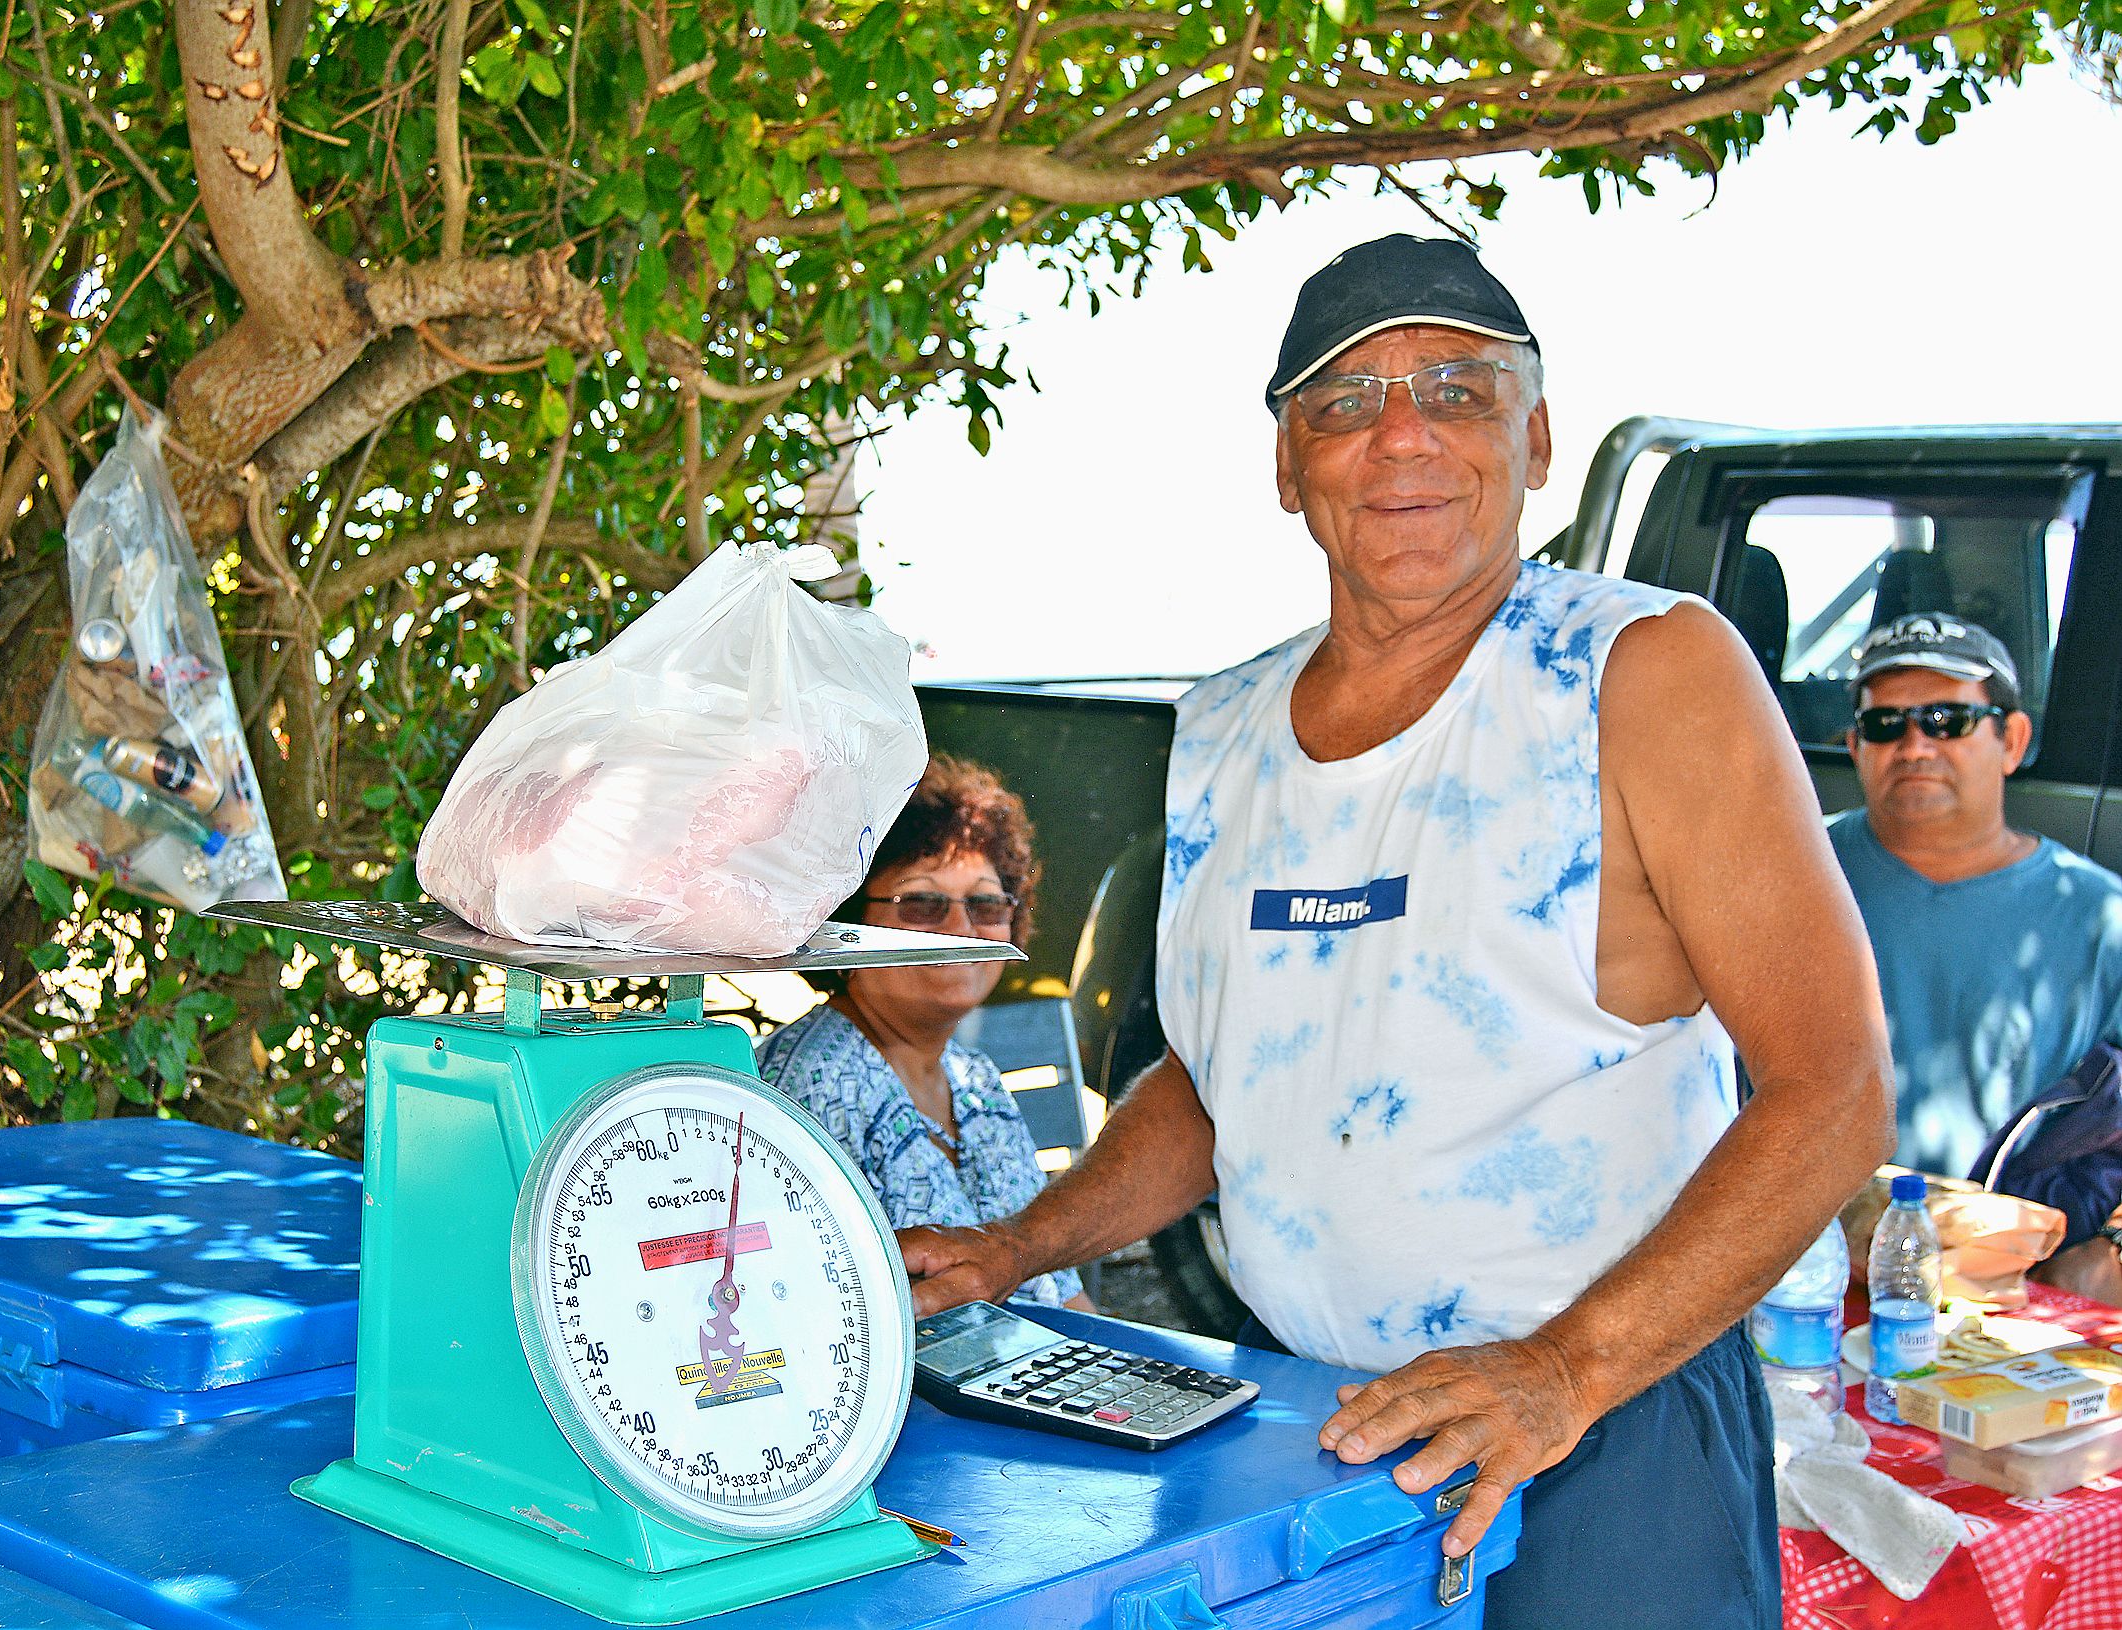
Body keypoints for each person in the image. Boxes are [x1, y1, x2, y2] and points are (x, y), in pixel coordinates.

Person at [898, 234, 1896, 1629]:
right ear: (1286, 465)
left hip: (1600, 1430)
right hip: (1315, 1435)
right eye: (1344, 402)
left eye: (1457, 388)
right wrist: (1017, 1245)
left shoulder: (1640, 671)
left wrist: (1563, 1368)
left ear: (1536, 437)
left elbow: (1836, 1085)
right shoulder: (1222, 726)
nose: (1404, 434)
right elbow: (1212, 1078)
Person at [1830, 612, 2122, 1299]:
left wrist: (2107, 1249)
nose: (1914, 745)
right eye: (1885, 724)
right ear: (1853, 745)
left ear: (2010, 740)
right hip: (1797, 1285)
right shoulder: (1786, 875)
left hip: (2016, 1302)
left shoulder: (2099, 920)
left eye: (1946, 720)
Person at [757, 754, 1091, 1309]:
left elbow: (1063, 1292)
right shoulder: (809, 1087)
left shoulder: (974, 1076)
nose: (960, 930)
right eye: (922, 903)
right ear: (847, 920)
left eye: (985, 904)